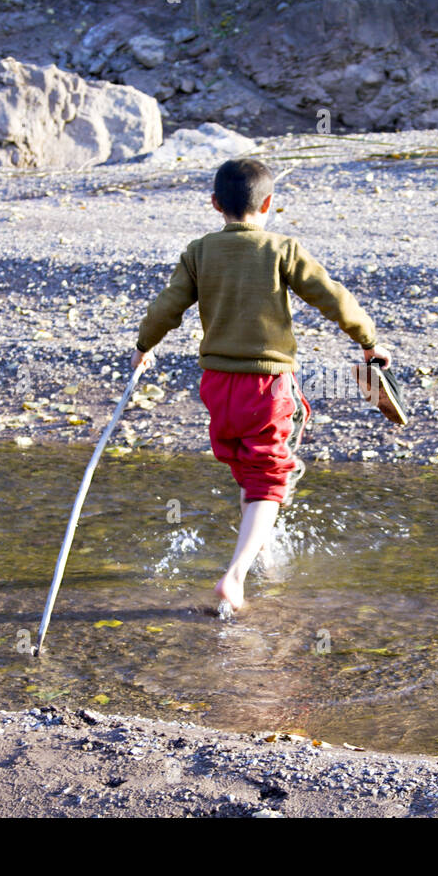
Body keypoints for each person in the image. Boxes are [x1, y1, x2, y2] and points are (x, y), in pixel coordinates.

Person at [131, 157, 390, 616]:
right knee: (270, 476)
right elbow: (331, 296)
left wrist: (143, 345)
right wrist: (368, 342)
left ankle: (261, 549)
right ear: (269, 204)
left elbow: (167, 305)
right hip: (267, 385)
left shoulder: (199, 252)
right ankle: (235, 577)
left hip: (216, 383)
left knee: (248, 466)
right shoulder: (281, 249)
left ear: (215, 204)